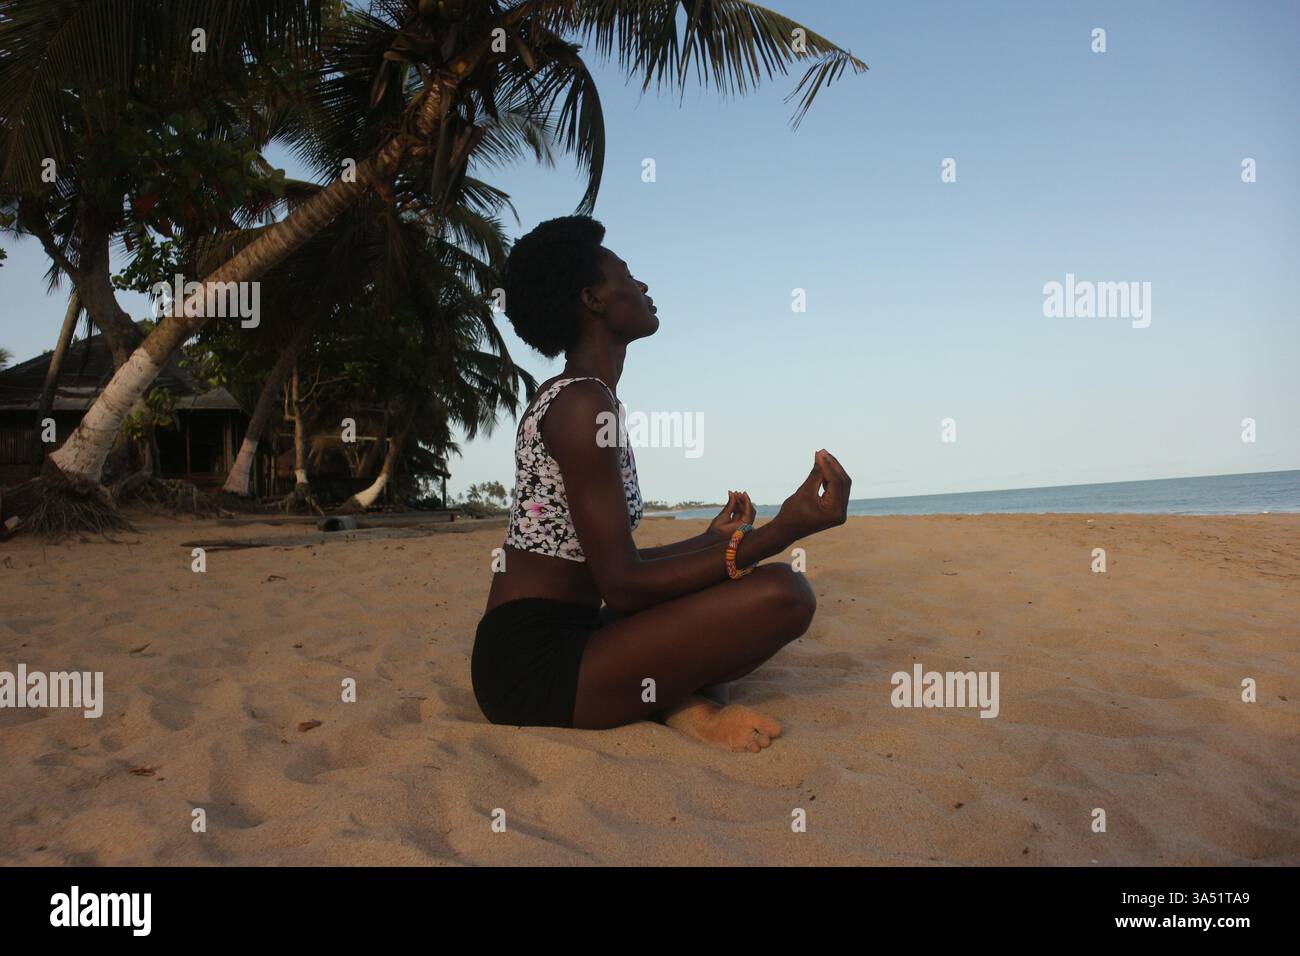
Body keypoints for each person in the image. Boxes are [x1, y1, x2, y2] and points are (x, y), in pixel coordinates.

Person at [471, 216, 851, 752]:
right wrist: (784, 529)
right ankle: (682, 704)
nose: (642, 285)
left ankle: (678, 704)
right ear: (593, 299)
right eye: (626, 273)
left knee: (730, 581)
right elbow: (623, 585)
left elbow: (616, 566)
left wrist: (713, 541)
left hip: (584, 631)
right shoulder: (582, 403)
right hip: (534, 666)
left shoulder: (585, 397)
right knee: (786, 594)